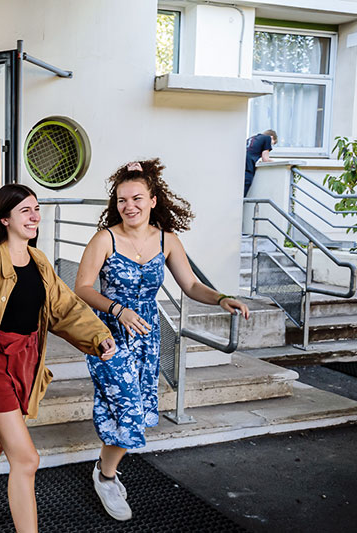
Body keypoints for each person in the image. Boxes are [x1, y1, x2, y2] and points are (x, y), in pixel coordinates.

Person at [74, 159, 250, 522]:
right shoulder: (105, 239)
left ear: (153, 200)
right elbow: (83, 288)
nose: (129, 206)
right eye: (122, 200)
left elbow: (191, 285)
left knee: (131, 407)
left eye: (137, 198)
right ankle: (106, 478)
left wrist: (221, 298)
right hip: (108, 335)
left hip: (147, 336)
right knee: (127, 406)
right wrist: (119, 309)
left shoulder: (168, 240)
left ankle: (105, 470)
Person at [0, 184, 116, 533]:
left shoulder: (38, 261)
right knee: (26, 459)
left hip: (25, 362)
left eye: (36, 208)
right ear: (5, 219)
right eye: (25, 210)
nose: (34, 215)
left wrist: (97, 335)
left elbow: (64, 308)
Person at [244, 129, 278, 196]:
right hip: (248, 167)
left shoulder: (252, 138)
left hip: (241, 166)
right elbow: (265, 159)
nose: (270, 146)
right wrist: (274, 161)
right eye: (272, 144)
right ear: (272, 137)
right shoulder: (267, 138)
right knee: (245, 187)